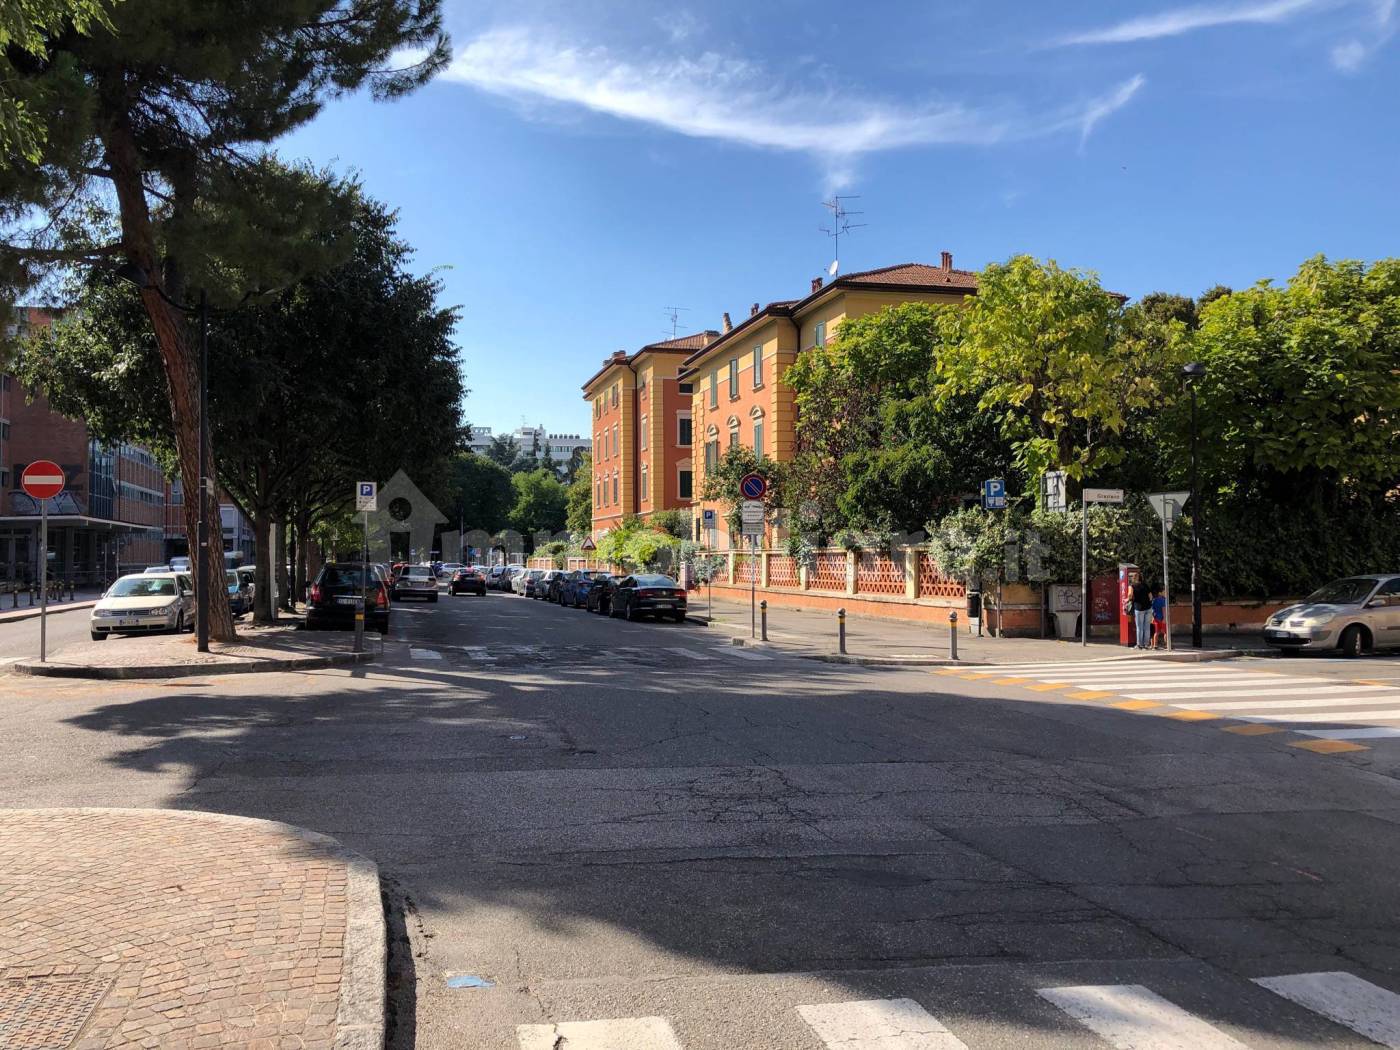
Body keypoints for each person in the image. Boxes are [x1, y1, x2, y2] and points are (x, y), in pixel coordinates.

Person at [1130, 576, 1153, 650]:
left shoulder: (1132, 586)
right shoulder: (1145, 585)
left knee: (1139, 627)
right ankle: (1146, 645)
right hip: (1148, 608)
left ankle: (1139, 645)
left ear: (1134, 579)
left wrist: (1129, 599)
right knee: (1147, 627)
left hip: (1139, 608)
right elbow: (1151, 597)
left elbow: (1130, 595)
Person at [1150, 585, 1167, 650]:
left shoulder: (1154, 600)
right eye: (1164, 591)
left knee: (1156, 632)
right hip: (1162, 618)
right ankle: (1166, 645)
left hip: (1155, 618)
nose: (1165, 593)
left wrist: (1152, 617)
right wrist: (1164, 618)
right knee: (1165, 632)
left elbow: (1152, 610)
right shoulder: (1163, 600)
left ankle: (1155, 645)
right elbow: (1163, 609)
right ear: (1160, 593)